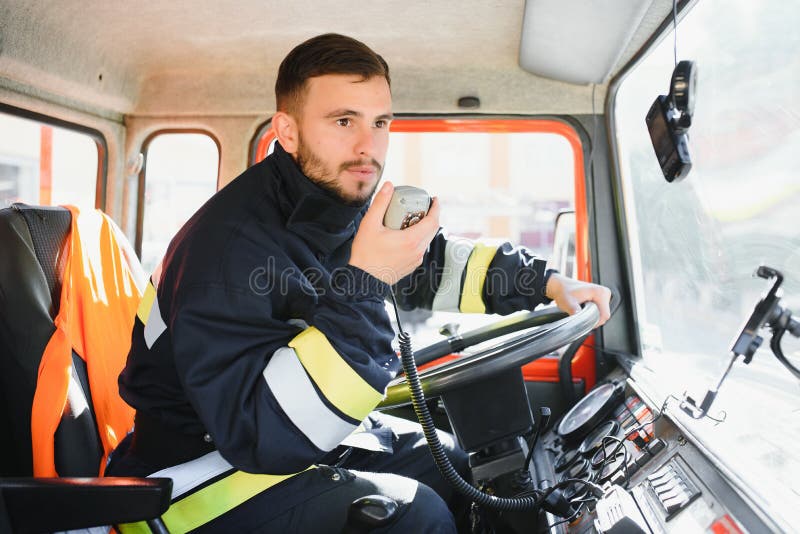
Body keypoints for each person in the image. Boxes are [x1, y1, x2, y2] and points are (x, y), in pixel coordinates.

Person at [107, 33, 611, 533]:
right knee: (420, 517)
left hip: (276, 446)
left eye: (380, 123)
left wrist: (546, 283)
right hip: (193, 480)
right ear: (286, 130)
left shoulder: (332, 204)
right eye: (344, 121)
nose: (368, 146)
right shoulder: (226, 252)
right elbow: (260, 432)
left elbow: (429, 265)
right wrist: (367, 282)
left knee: (455, 465)